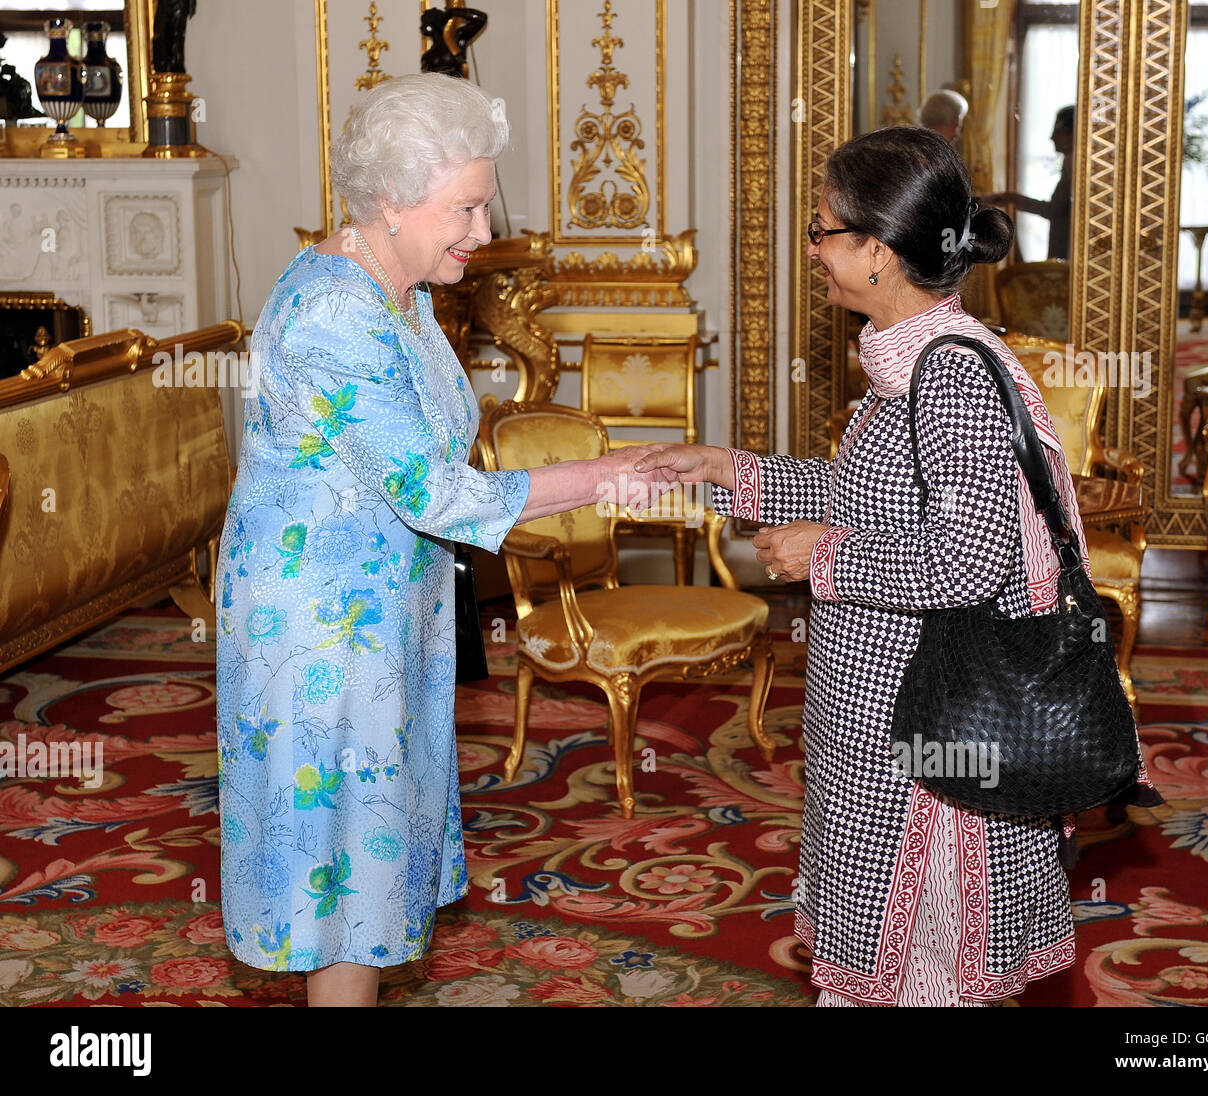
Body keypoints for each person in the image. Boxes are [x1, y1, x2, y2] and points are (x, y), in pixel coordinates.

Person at [216, 73, 672, 1007]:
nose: (479, 228)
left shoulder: (402, 291)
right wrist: (606, 475)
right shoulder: (341, 311)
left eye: (483, 202)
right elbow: (438, 490)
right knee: (341, 868)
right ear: (390, 200)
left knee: (364, 864)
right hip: (321, 633)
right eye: (463, 206)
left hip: (381, 610)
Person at [637, 126, 1091, 1006]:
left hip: (929, 734)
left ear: (877, 251)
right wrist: (726, 469)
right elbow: (863, 489)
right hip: (885, 717)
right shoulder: (910, 362)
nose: (813, 250)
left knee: (922, 978)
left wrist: (825, 555)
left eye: (822, 231)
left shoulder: (950, 376)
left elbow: (970, 560)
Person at [985, 104, 1074, 260]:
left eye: (1058, 131)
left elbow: (1053, 210)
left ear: (1072, 134)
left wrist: (1015, 199)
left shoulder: (1073, 166)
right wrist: (1013, 198)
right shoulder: (1072, 164)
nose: (1052, 137)